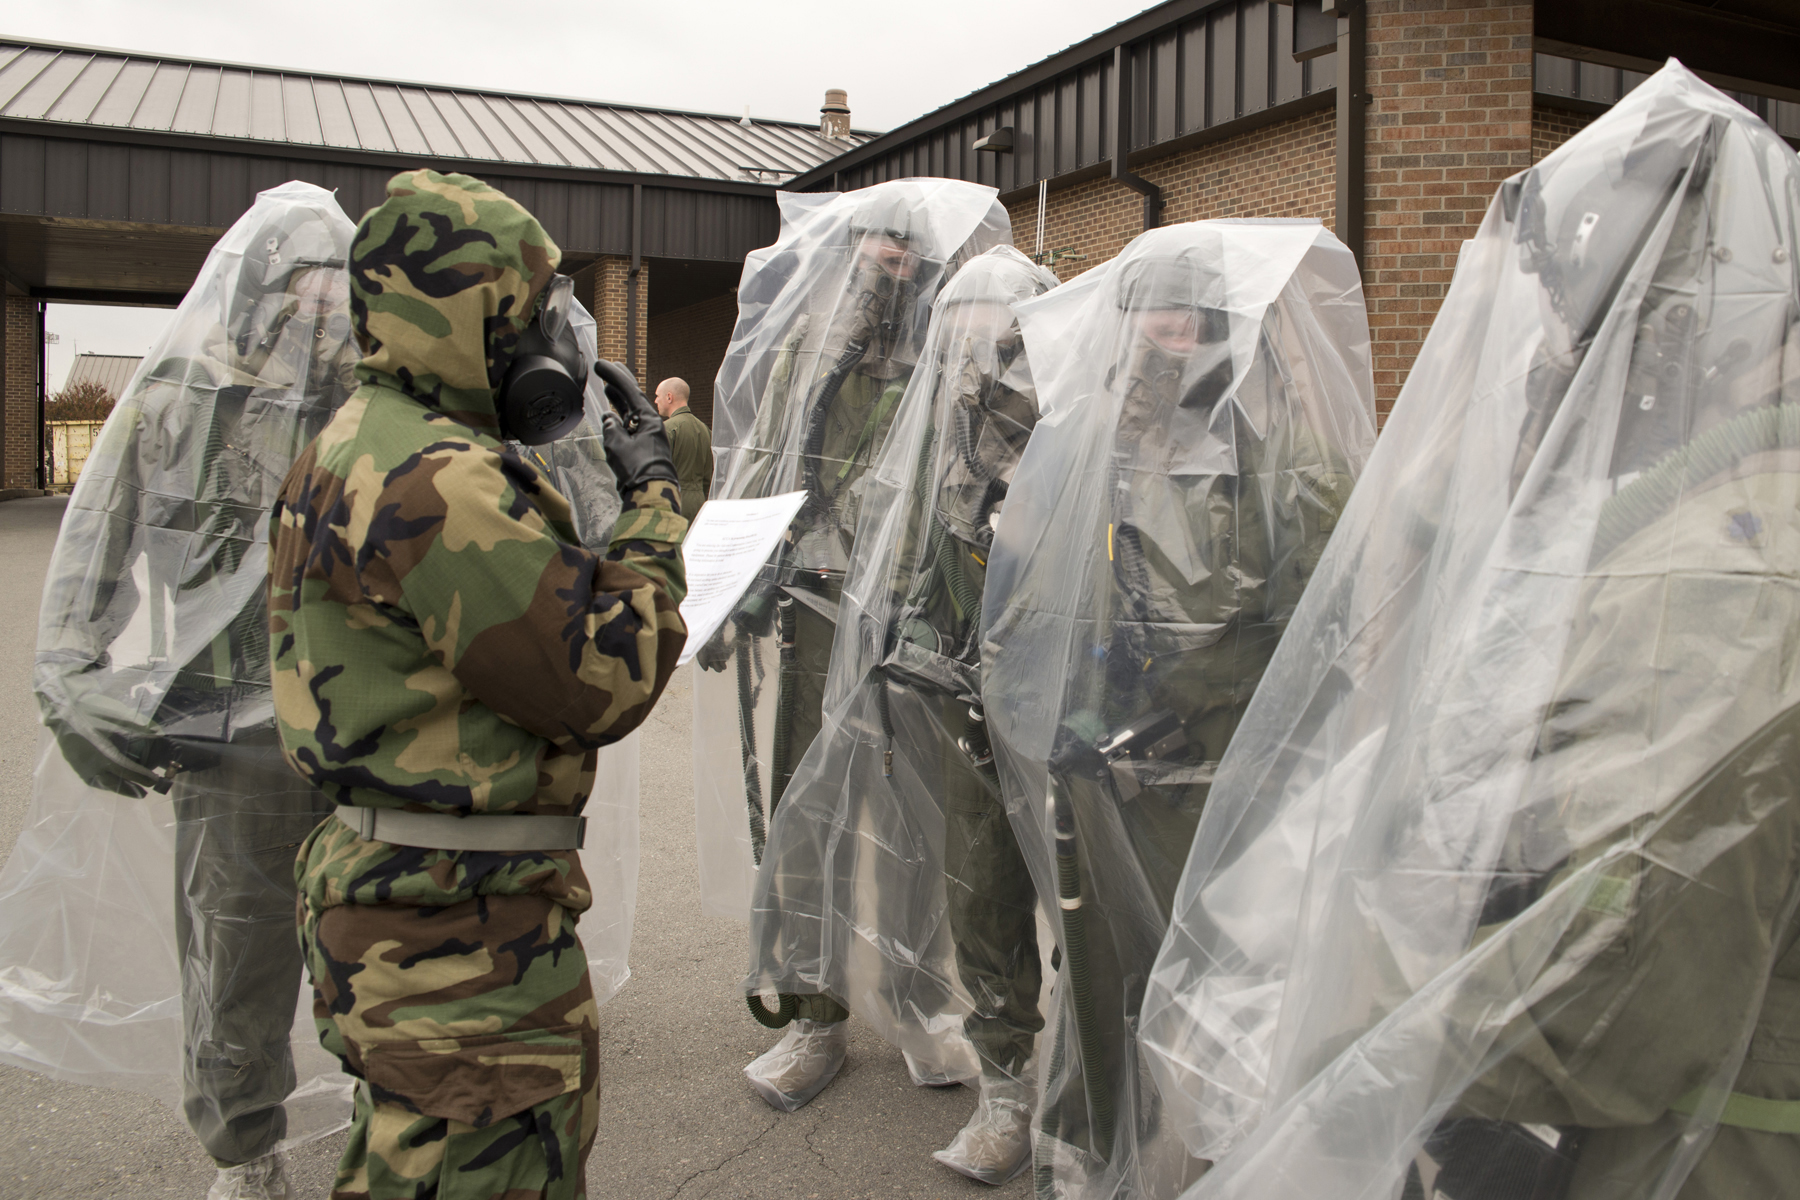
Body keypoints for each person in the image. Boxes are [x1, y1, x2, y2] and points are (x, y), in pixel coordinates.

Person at [1137, 61, 1800, 1200]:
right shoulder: (1653, 510)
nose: (1544, 347)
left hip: (1682, 1132)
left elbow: (1633, 954)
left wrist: (1358, 1031)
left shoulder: (1722, 564)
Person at [268, 169, 687, 1200]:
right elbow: (606, 676)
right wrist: (655, 497)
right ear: (469, 313)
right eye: (536, 309)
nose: (554, 338)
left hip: (400, 904)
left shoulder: (355, 437)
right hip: (458, 933)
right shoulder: (441, 476)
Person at [981, 220, 1375, 1199]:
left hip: (1212, 797)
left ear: (1223, 326)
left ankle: (1220, 1172)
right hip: (1090, 773)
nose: (1164, 337)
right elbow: (1031, 601)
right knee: (1096, 988)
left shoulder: (1288, 464)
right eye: (1145, 316)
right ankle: (1084, 1163)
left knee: (1217, 1007)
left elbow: (1327, 649)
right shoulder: (1082, 456)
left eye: (1185, 319)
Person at [18, 180, 359, 1200]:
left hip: (366, 724)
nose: (325, 303)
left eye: (341, 280)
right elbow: (95, 543)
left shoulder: (383, 407)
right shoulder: (176, 398)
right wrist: (68, 673)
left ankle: (393, 1119)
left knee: (382, 935)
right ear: (258, 288)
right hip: (230, 737)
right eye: (306, 279)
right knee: (237, 955)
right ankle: (245, 1150)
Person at [687, 178, 1010, 1111]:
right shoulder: (807, 351)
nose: (893, 259)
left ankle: (922, 1003)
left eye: (910, 247)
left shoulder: (965, 354)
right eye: (877, 242)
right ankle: (814, 1016)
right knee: (811, 819)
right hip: (821, 617)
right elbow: (763, 466)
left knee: (926, 824)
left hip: (930, 626)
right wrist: (727, 588)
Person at [743, 245, 1058, 1177]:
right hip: (894, 650)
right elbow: (861, 505)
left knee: (994, 877)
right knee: (849, 835)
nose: (973, 337)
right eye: (959, 319)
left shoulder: (1068, 411)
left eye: (993, 318)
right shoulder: (896, 396)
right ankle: (828, 1019)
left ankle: (1006, 1068)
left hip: (1024, 677)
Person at [655, 376, 713, 520]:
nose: (655, 400)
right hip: (699, 504)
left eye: (657, 396)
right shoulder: (705, 429)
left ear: (669, 397)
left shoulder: (666, 429)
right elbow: (708, 474)